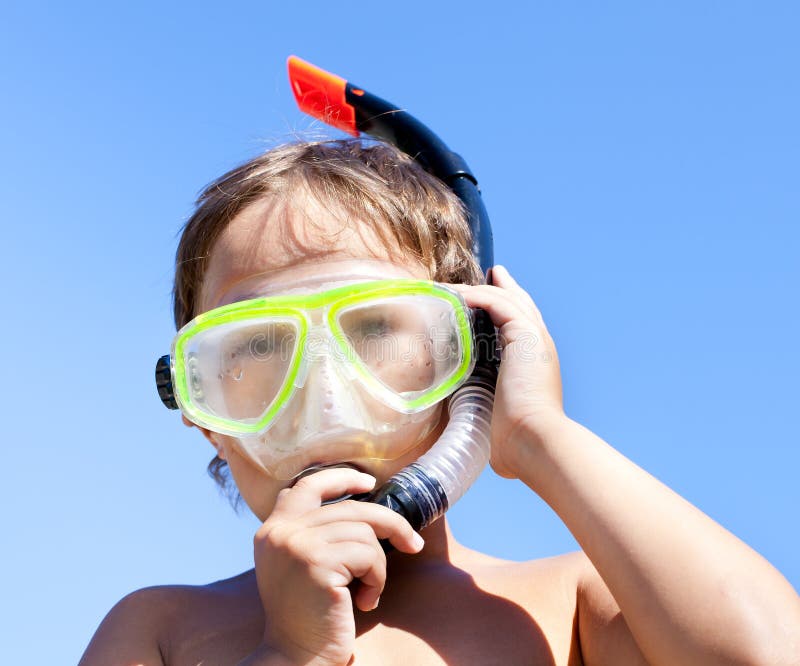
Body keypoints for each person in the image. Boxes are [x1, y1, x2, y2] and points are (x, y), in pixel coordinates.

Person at [80, 139, 800, 666]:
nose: (323, 394)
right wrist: (292, 653)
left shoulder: (563, 608)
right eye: (258, 349)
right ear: (204, 414)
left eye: (375, 331)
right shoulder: (165, 632)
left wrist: (540, 435)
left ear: (473, 361)